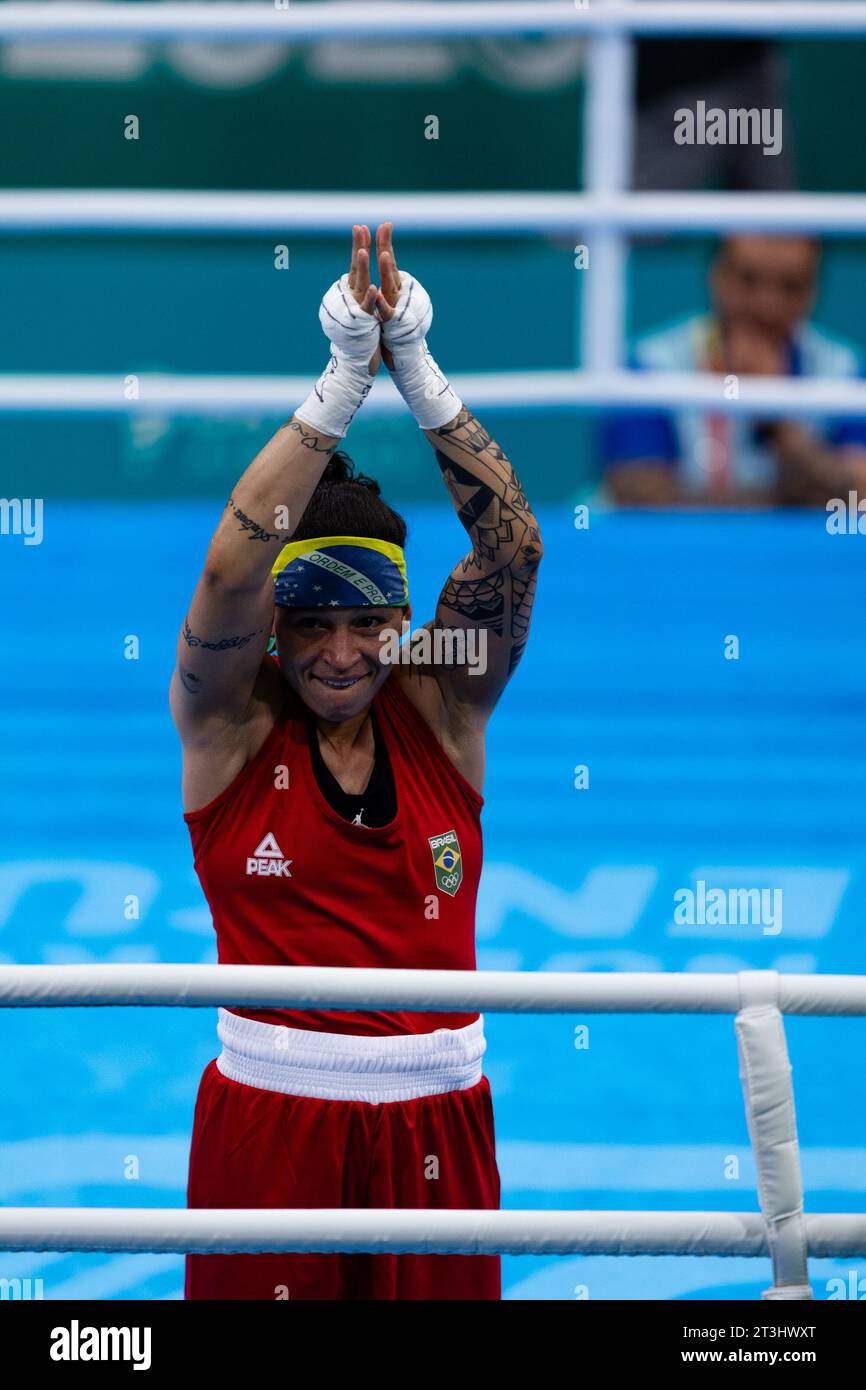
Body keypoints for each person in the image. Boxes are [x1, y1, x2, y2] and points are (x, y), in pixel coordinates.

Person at [171, 223, 543, 1300]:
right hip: (267, 1120)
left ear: (404, 621)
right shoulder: (226, 725)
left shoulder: (440, 705)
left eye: (371, 622)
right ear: (278, 629)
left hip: (437, 1120)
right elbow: (231, 565)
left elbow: (512, 550)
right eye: (313, 624)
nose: (341, 654)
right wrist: (342, 379)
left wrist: (416, 367)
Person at [601, 235, 866, 507]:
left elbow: (857, 501)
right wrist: (782, 504)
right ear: (717, 276)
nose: (768, 305)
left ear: (814, 289)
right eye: (749, 280)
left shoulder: (846, 370)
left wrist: (776, 420)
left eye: (791, 286)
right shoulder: (650, 365)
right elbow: (639, 502)